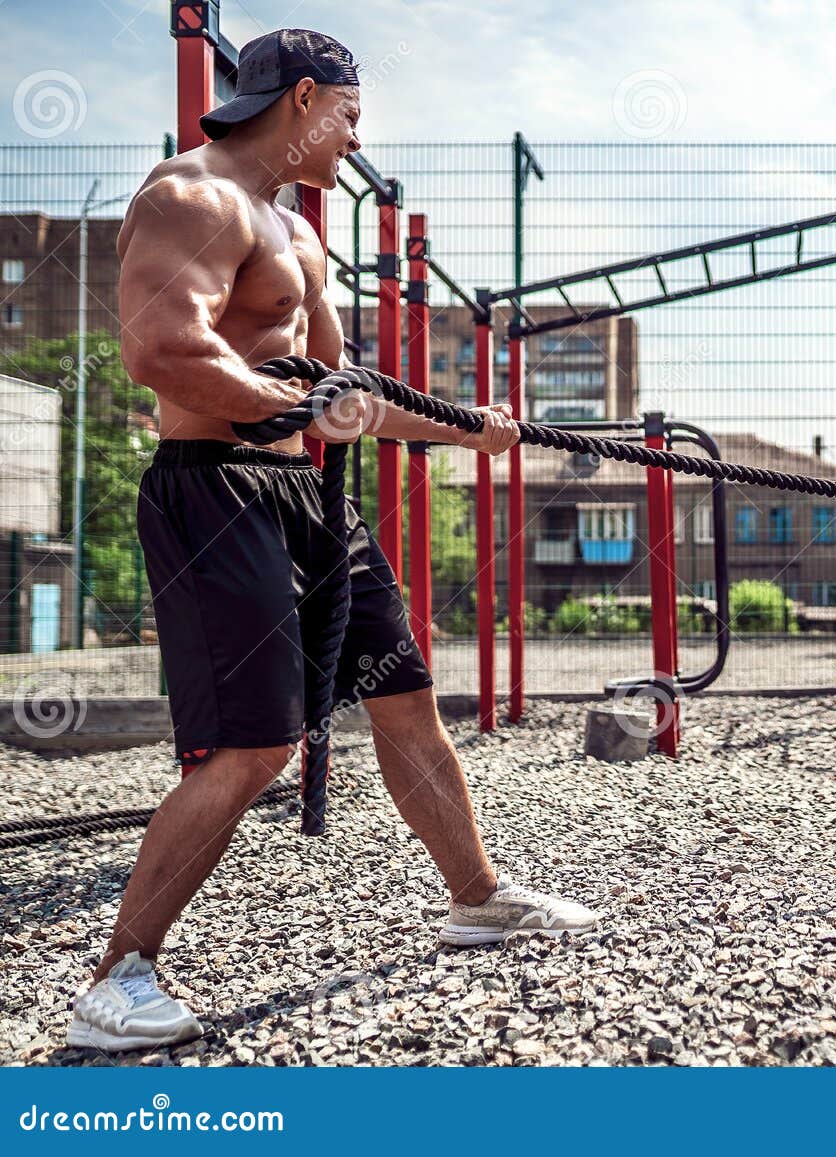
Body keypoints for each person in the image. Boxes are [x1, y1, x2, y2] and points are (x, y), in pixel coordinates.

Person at [67, 29, 596, 1054]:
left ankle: (475, 895)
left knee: (403, 696)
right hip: (216, 493)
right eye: (350, 115)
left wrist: (467, 428)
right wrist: (293, 411)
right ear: (304, 98)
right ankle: (116, 980)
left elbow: (341, 399)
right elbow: (162, 350)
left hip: (303, 495)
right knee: (257, 743)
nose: (357, 139)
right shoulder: (191, 198)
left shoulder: (300, 230)